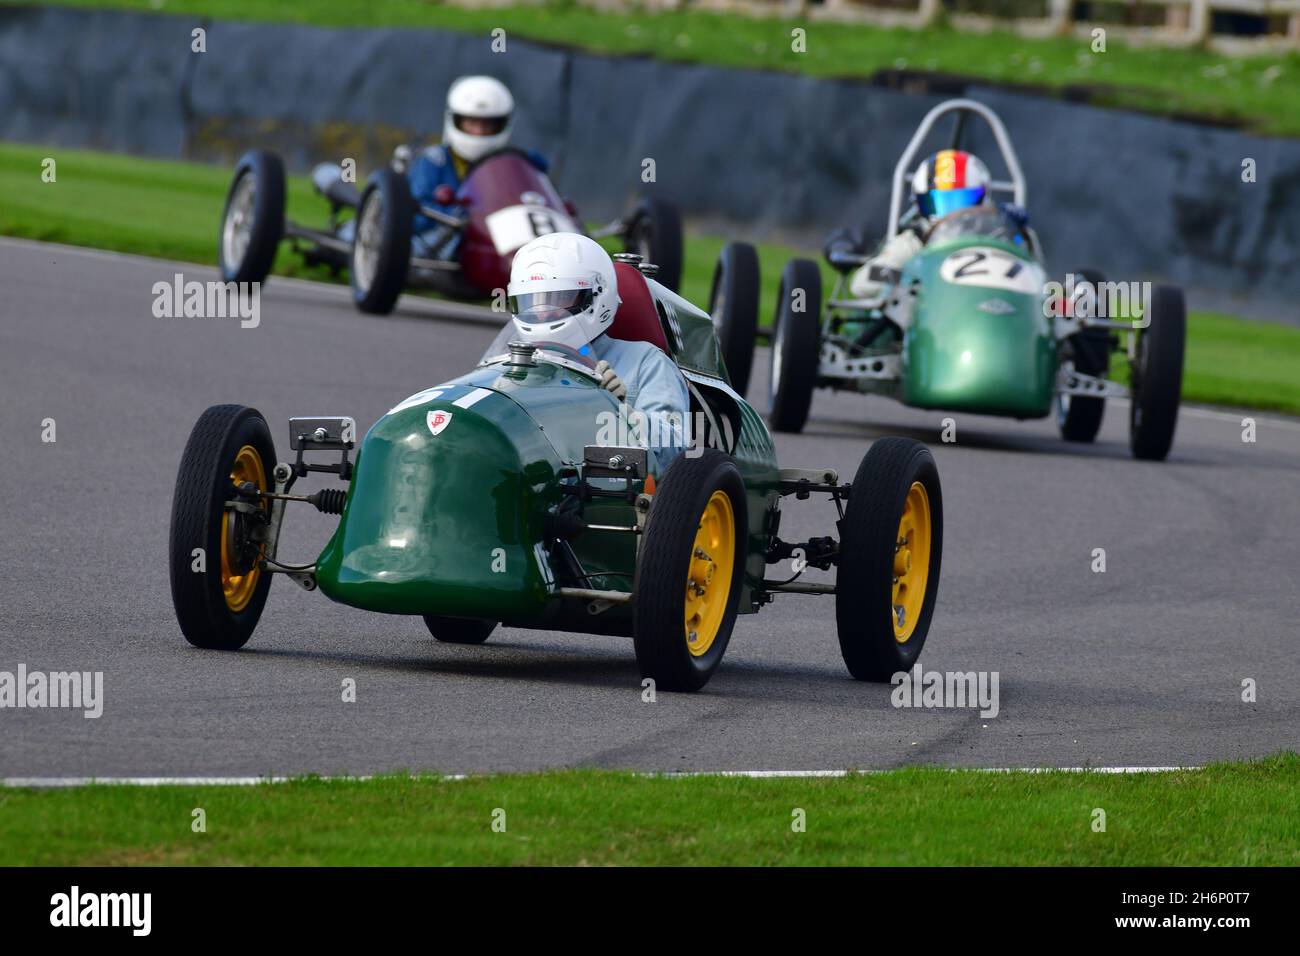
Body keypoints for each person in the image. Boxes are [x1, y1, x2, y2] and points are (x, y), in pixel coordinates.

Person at [486, 232, 689, 470]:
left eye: (558, 299)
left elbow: (678, 451)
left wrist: (621, 413)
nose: (542, 314)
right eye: (530, 301)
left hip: (596, 493)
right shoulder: (508, 357)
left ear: (598, 295)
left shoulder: (645, 361)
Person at [314, 75, 548, 259]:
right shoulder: (433, 161)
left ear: (503, 124)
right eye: (472, 123)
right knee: (381, 238)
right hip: (434, 242)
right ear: (455, 120)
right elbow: (412, 220)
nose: (479, 132)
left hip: (502, 241)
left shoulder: (520, 162)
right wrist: (461, 216)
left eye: (488, 125)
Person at [835, 149, 994, 303]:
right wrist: (914, 280)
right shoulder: (914, 242)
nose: (949, 214)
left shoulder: (998, 237)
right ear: (919, 205)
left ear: (983, 199)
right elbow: (863, 282)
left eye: (960, 201)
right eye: (937, 203)